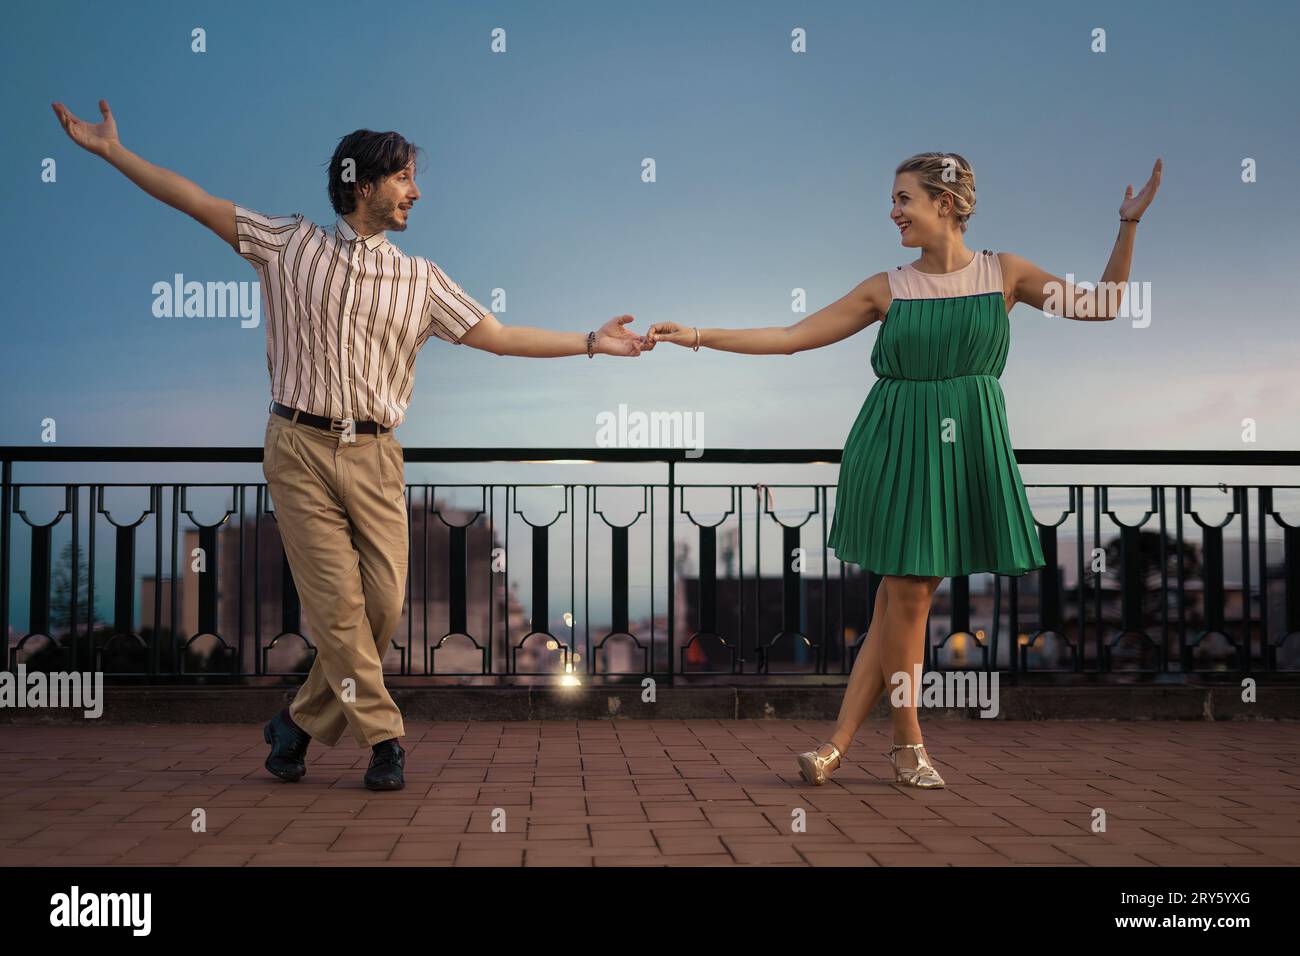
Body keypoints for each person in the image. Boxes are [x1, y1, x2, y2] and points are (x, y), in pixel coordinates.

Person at [52, 98, 647, 791]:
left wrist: (590, 344)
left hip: (375, 455)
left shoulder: (420, 279)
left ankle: (296, 726)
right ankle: (385, 739)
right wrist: (116, 154)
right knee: (338, 607)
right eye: (402, 178)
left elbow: (500, 337)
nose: (415, 192)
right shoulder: (287, 244)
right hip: (298, 446)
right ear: (360, 185)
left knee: (382, 605)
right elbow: (196, 201)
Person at [648, 152, 1161, 789]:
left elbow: (1105, 304)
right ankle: (907, 743)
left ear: (943, 204)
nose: (892, 213)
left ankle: (836, 746)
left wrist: (1128, 224)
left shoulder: (1008, 273)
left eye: (903, 200)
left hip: (965, 443)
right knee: (910, 596)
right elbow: (789, 337)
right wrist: (694, 334)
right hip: (893, 447)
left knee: (899, 603)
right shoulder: (885, 288)